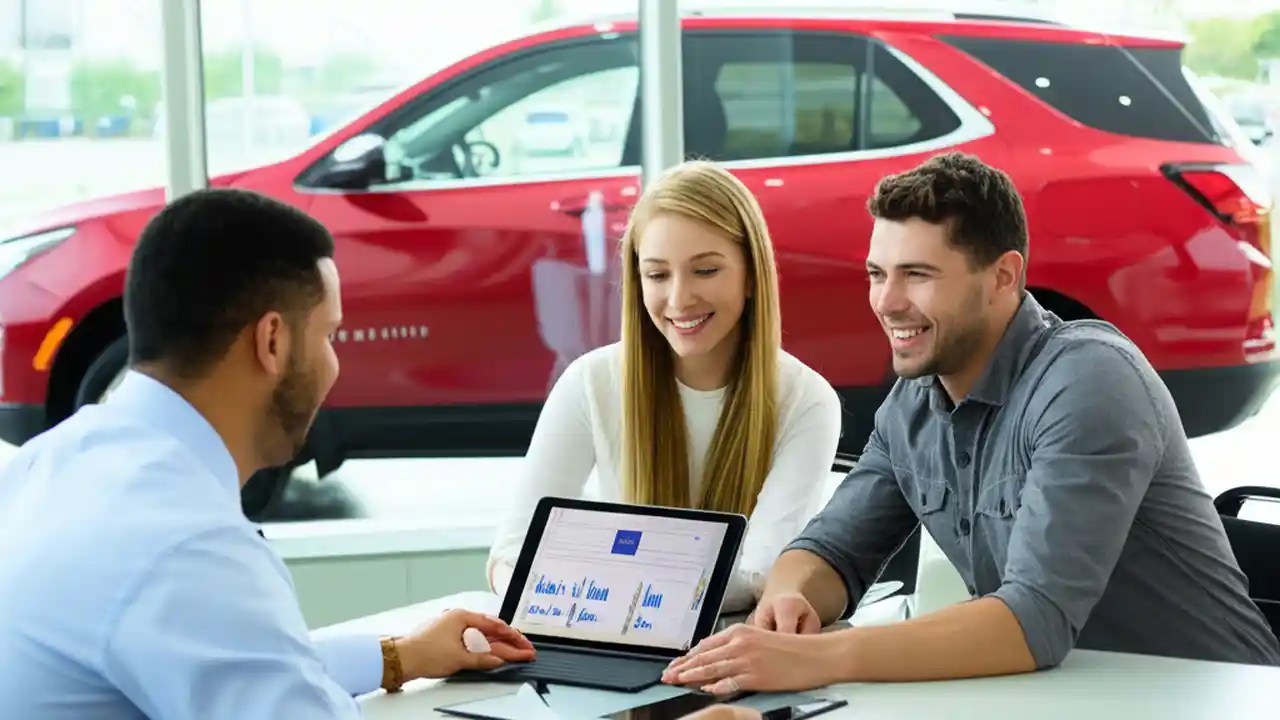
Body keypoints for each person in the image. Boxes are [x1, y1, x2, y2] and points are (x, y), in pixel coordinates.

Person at [662, 152, 1280, 694]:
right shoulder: (914, 399)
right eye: (878, 274)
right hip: (1056, 698)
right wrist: (788, 602)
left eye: (918, 275)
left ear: (1003, 277)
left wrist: (818, 657)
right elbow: (829, 549)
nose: (887, 301)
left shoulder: (1090, 379)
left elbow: (1033, 618)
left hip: (1213, 697)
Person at [0, 189, 534, 719]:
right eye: (329, 336)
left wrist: (401, 655)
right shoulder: (189, 542)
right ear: (272, 341)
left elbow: (239, 659)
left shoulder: (44, 466)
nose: (334, 365)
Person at [487, 161, 842, 611]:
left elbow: (759, 574)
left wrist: (592, 581)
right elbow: (512, 556)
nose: (679, 299)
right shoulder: (590, 382)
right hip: (609, 634)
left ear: (752, 275)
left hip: (734, 646)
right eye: (657, 275)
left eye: (706, 271)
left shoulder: (807, 401)